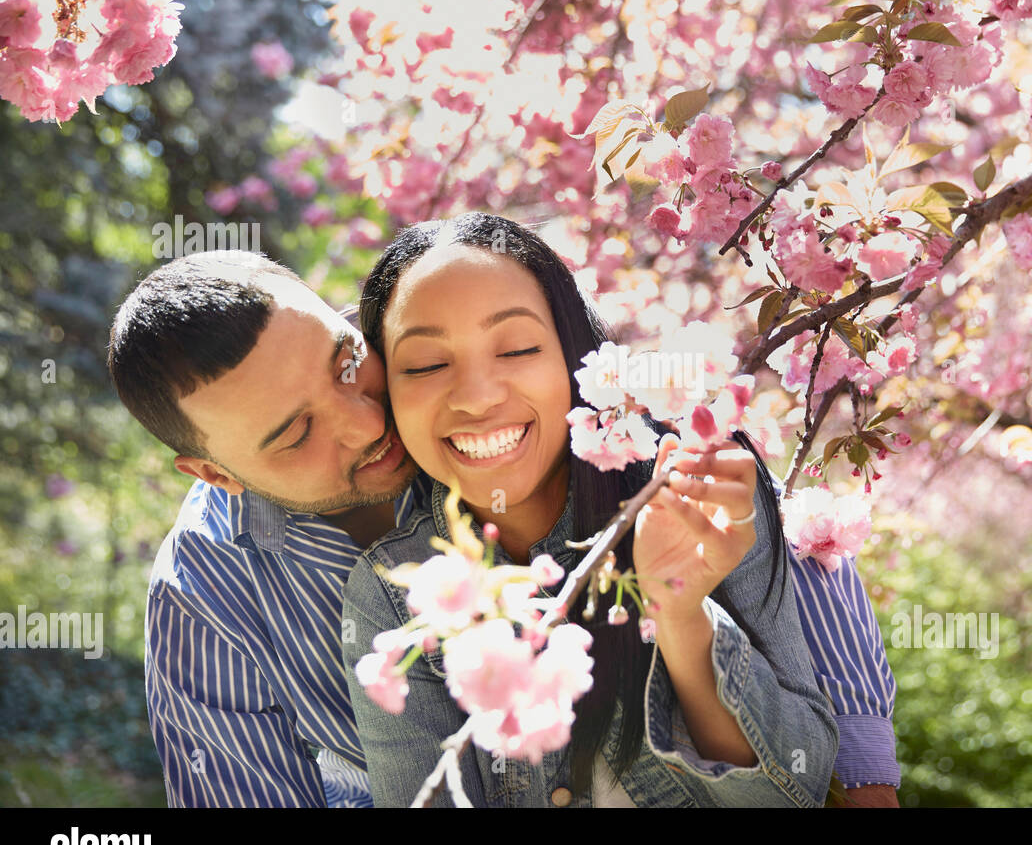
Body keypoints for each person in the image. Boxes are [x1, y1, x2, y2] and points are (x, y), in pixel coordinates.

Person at [107, 240, 899, 807]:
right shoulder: (206, 586)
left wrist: (865, 780)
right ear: (216, 472)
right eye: (295, 434)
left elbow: (766, 527)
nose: (362, 420)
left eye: (347, 361)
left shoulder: (458, 366)